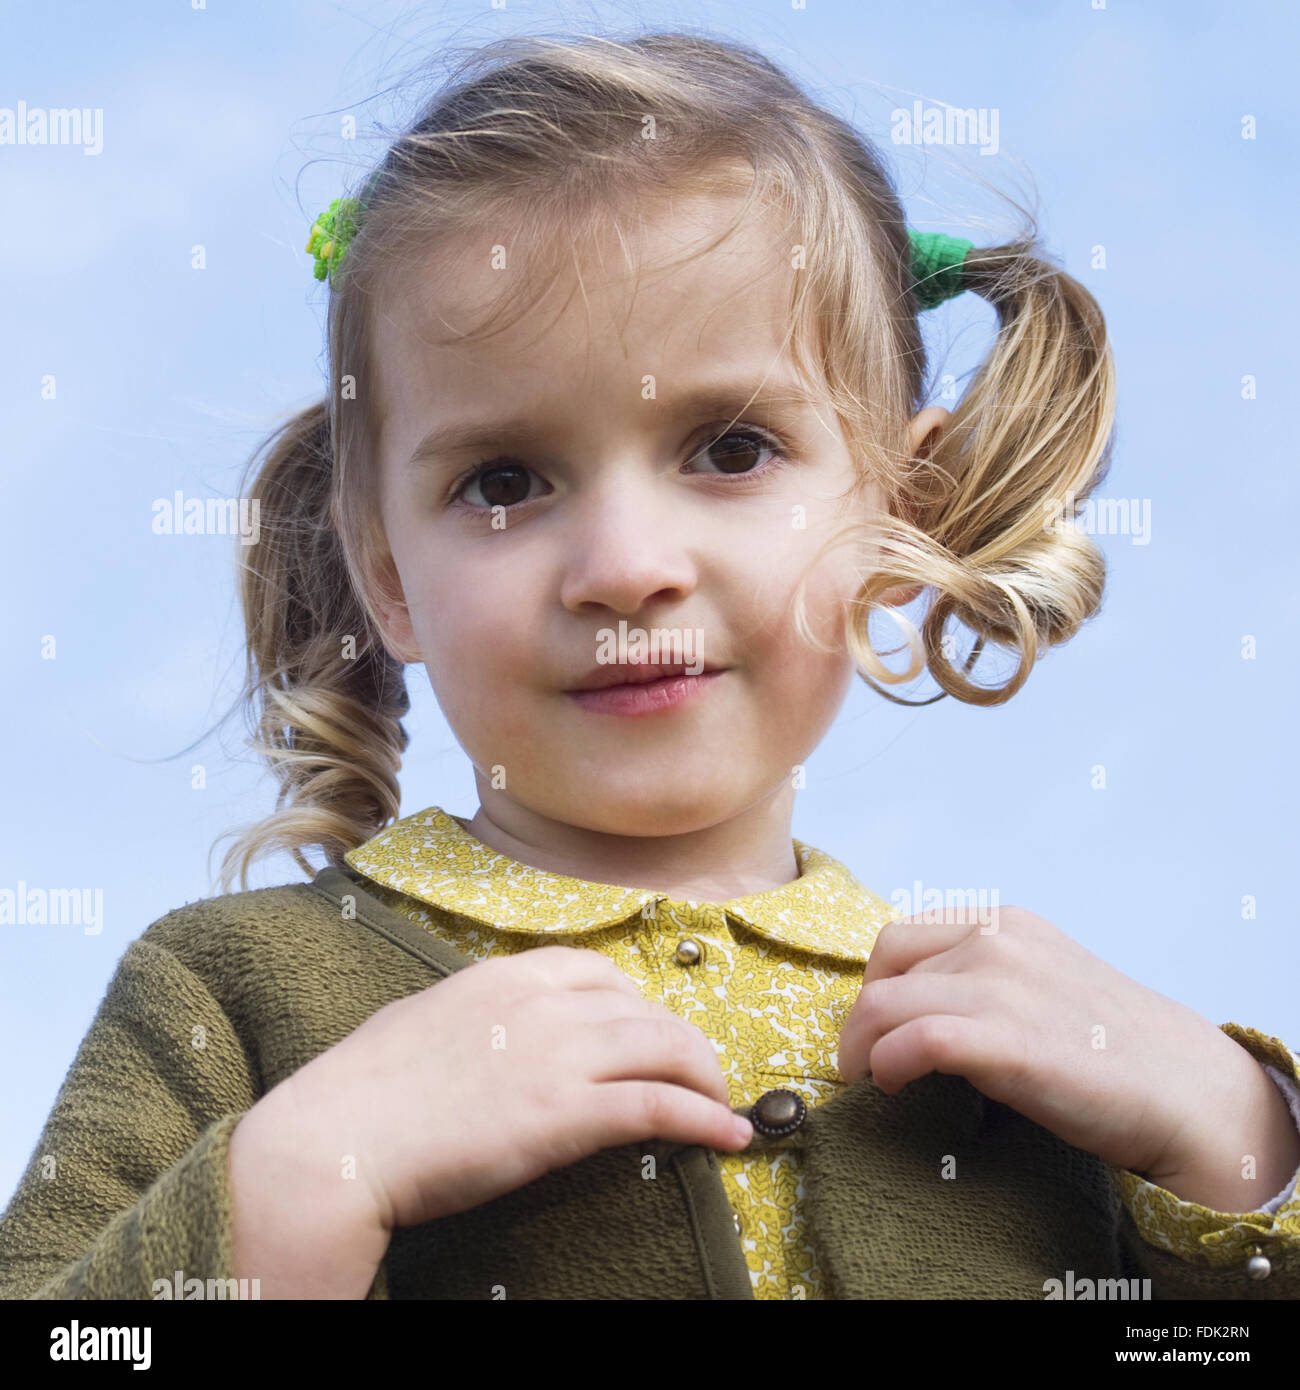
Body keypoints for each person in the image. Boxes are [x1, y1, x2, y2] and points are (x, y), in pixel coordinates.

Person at [2, 29, 1297, 1301]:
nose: (624, 565)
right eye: (502, 481)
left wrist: (1242, 1140)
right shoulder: (229, 989)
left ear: (900, 506)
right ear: (386, 573)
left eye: (731, 448)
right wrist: (299, 1183)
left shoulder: (1024, 1049)